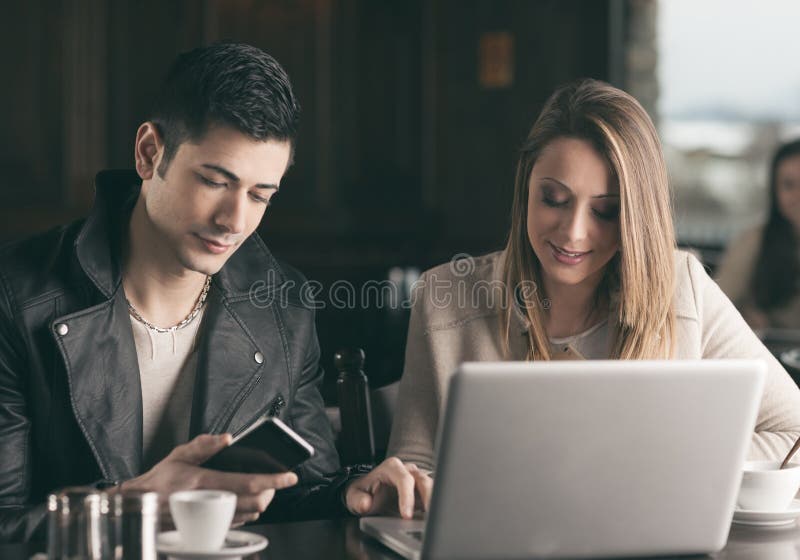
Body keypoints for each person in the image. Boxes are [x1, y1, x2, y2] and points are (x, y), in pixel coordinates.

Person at [0, 42, 425, 543]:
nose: (235, 221)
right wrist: (136, 507)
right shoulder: (16, 296)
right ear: (149, 153)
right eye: (213, 181)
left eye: (260, 195)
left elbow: (295, 493)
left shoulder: (284, 306)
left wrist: (349, 494)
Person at [384, 79, 800, 475]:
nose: (573, 232)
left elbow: (793, 433)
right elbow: (414, 469)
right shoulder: (443, 297)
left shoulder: (682, 288)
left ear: (637, 218)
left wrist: (673, 457)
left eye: (605, 211)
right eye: (554, 199)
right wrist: (402, 486)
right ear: (526, 185)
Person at [716, 139, 800, 330]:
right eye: (788, 185)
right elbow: (715, 305)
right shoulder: (753, 242)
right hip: (769, 353)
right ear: (775, 191)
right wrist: (741, 315)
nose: (798, 195)